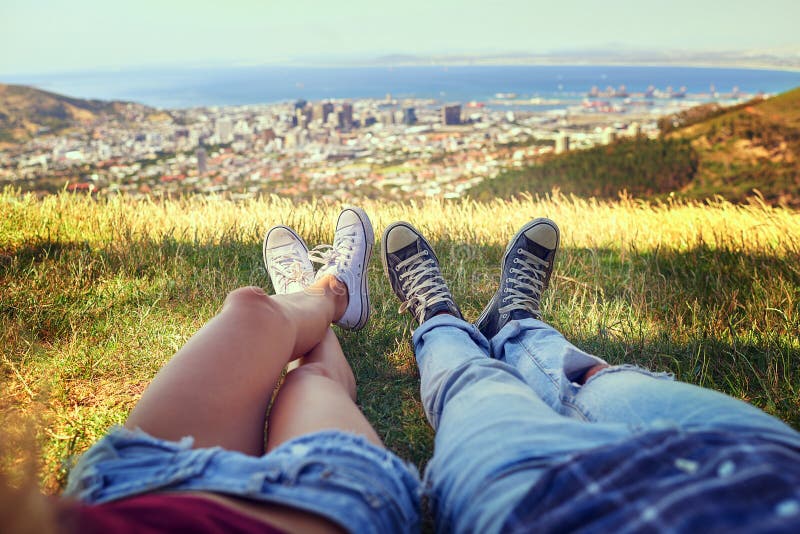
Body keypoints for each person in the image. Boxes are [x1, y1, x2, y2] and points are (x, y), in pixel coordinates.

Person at [379, 217, 800, 533]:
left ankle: (437, 320)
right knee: (596, 380)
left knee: (475, 390)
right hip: (766, 460)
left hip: (541, 510)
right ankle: (514, 325)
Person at [51, 207, 421, 533]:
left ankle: (320, 294)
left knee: (250, 308)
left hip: (131, 488)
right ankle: (333, 290)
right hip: (319, 513)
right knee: (309, 378)